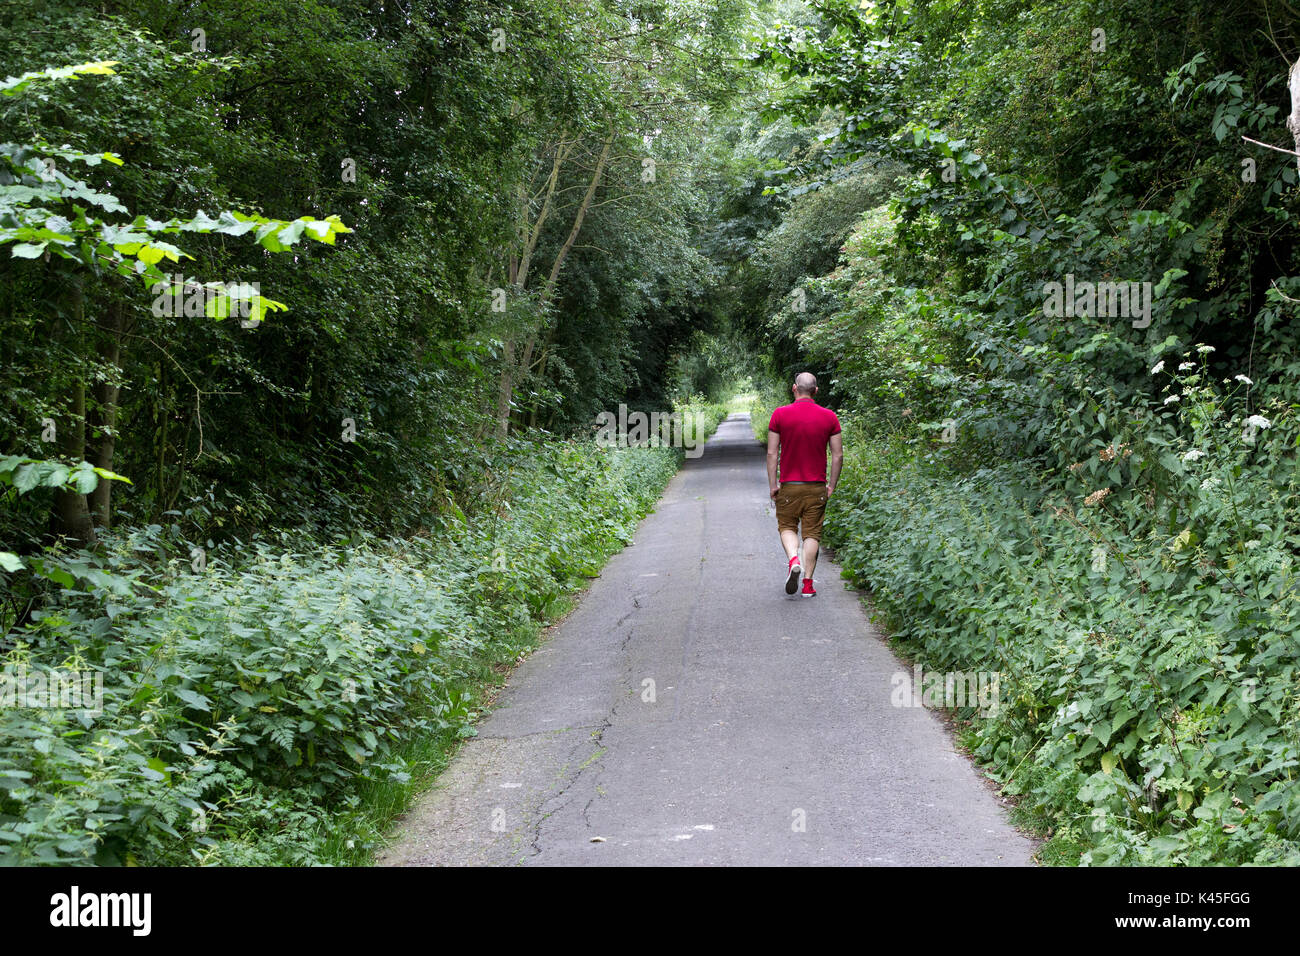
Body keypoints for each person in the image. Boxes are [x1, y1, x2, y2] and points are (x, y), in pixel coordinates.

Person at [766, 372, 843, 598]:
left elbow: (772, 453)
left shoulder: (780, 415)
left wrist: (773, 485)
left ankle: (793, 560)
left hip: (789, 486)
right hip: (817, 487)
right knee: (812, 534)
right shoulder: (829, 417)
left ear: (794, 388)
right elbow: (837, 456)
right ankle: (808, 585)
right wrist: (831, 485)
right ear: (816, 391)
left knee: (787, 527)